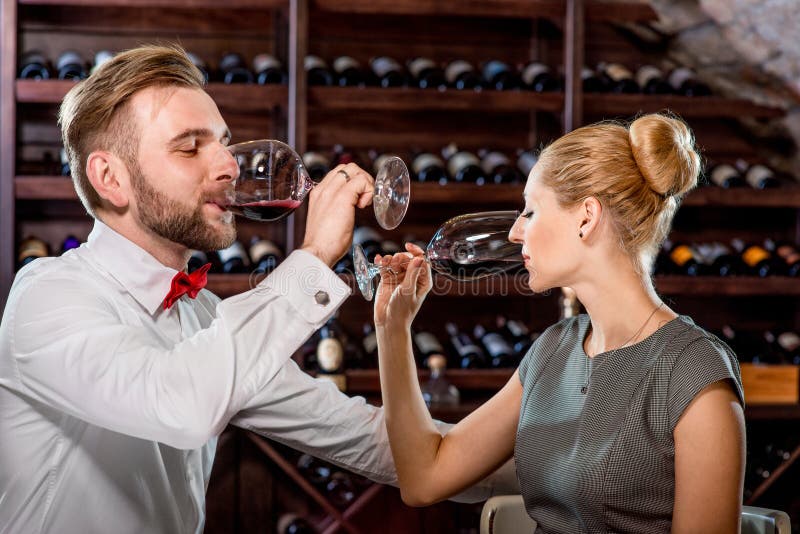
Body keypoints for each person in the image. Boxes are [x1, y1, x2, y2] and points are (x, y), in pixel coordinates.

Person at [0, 45, 516, 534]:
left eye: (223, 142)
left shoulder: (205, 318)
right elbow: (178, 406)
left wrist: (566, 469)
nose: (229, 166)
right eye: (190, 147)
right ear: (110, 178)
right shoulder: (48, 297)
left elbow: (381, 444)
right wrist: (313, 258)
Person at [373, 113, 746, 532]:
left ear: (586, 217)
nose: (516, 232)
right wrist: (392, 328)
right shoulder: (554, 350)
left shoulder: (694, 372)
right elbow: (424, 478)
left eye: (530, 211)